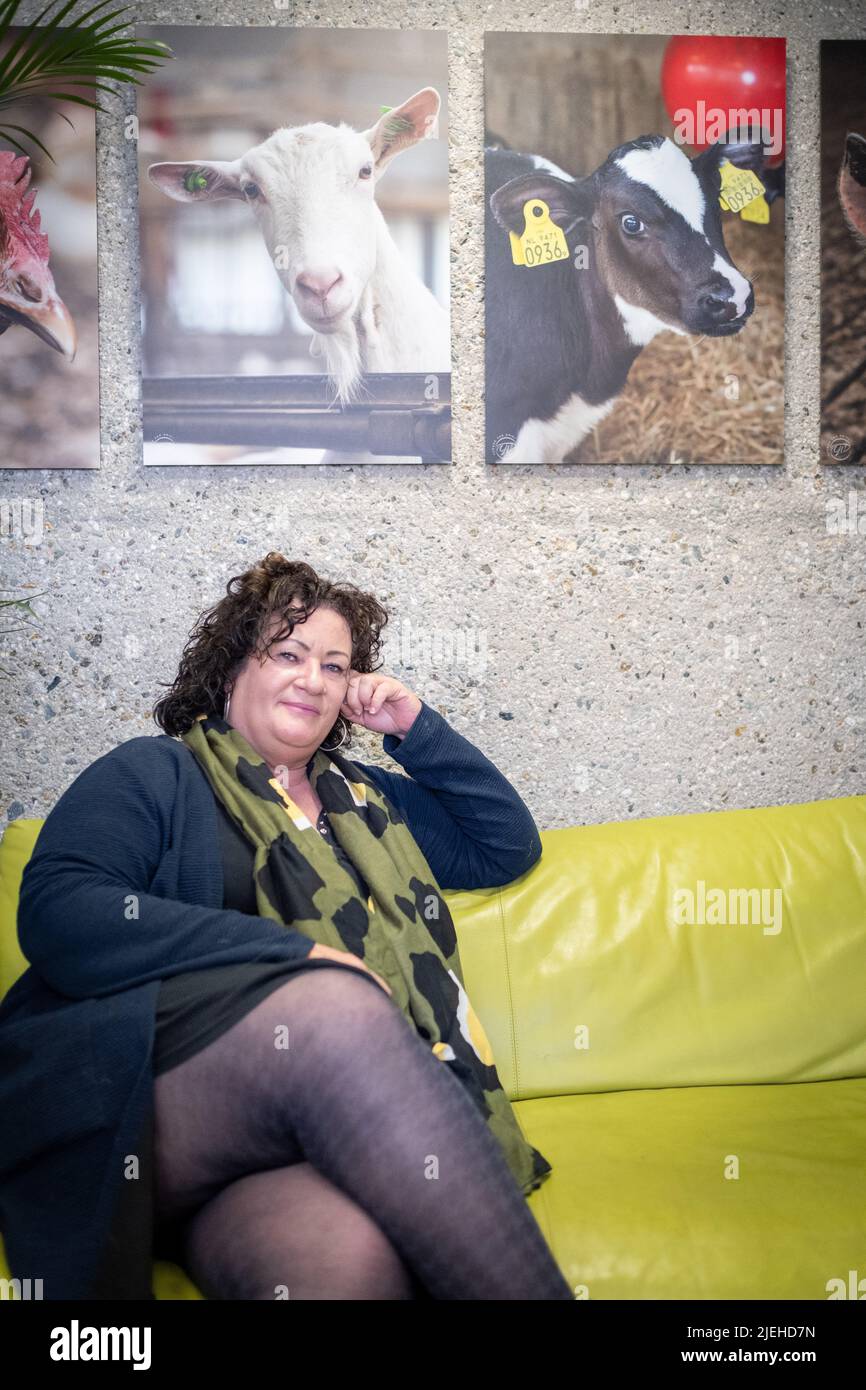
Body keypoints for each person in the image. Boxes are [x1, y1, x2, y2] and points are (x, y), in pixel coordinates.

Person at [0, 553, 573, 1301]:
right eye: (289, 654)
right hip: (153, 1110)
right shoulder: (154, 775)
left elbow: (503, 845)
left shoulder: (365, 801)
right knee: (332, 1004)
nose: (313, 679)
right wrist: (297, 955)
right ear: (233, 669)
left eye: (335, 667)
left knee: (345, 1265)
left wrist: (414, 727)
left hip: (274, 1159)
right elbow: (60, 910)